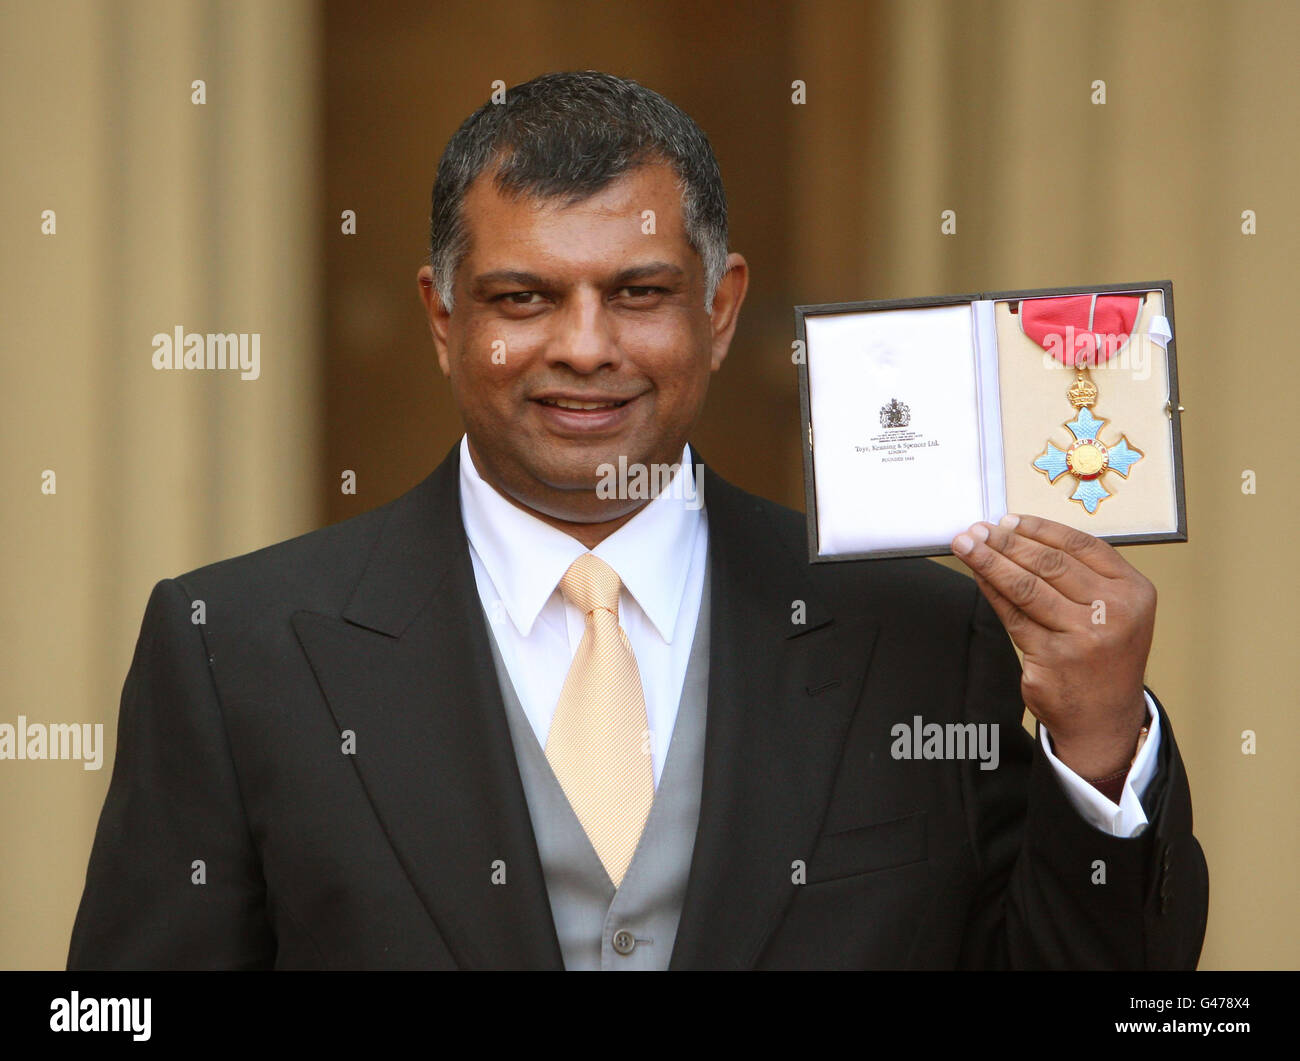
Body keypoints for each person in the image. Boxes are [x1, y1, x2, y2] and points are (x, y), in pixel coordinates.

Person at [68, 70, 1207, 970]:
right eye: (523, 297)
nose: (584, 345)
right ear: (440, 315)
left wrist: (1099, 747)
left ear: (720, 310)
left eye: (639, 292)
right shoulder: (233, 648)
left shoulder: (919, 635)